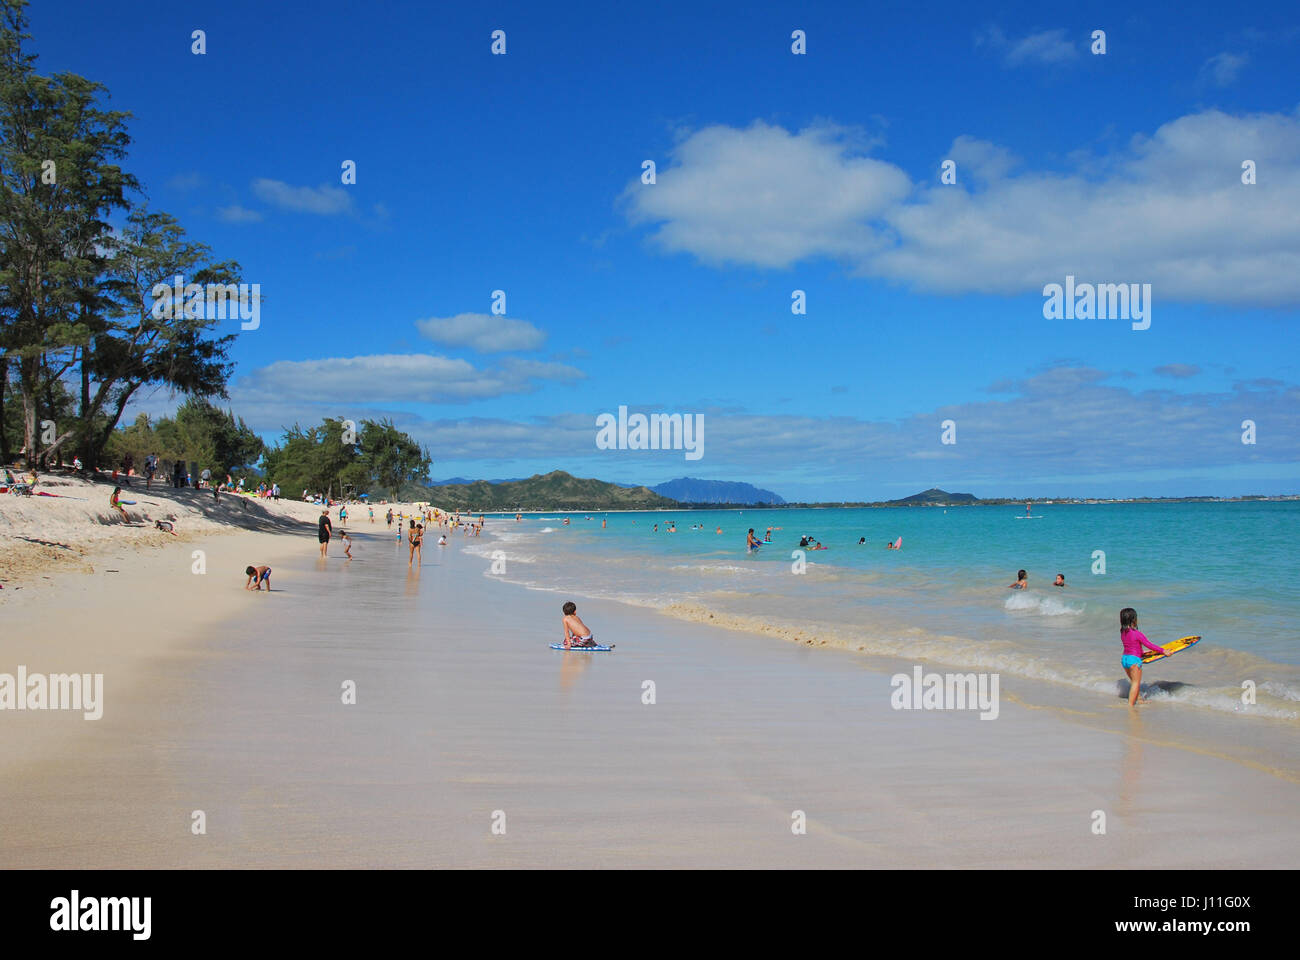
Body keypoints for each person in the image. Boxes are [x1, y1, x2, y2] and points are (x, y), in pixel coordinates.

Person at [1120, 607, 1166, 707]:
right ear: (1134, 620)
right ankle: (1130, 706)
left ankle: (1139, 700)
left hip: (1125, 659)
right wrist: (1163, 651)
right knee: (1136, 683)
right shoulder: (1137, 634)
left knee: (1133, 682)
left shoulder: (1123, 633)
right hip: (1134, 660)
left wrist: (1141, 652)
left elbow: (1131, 646)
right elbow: (1149, 644)